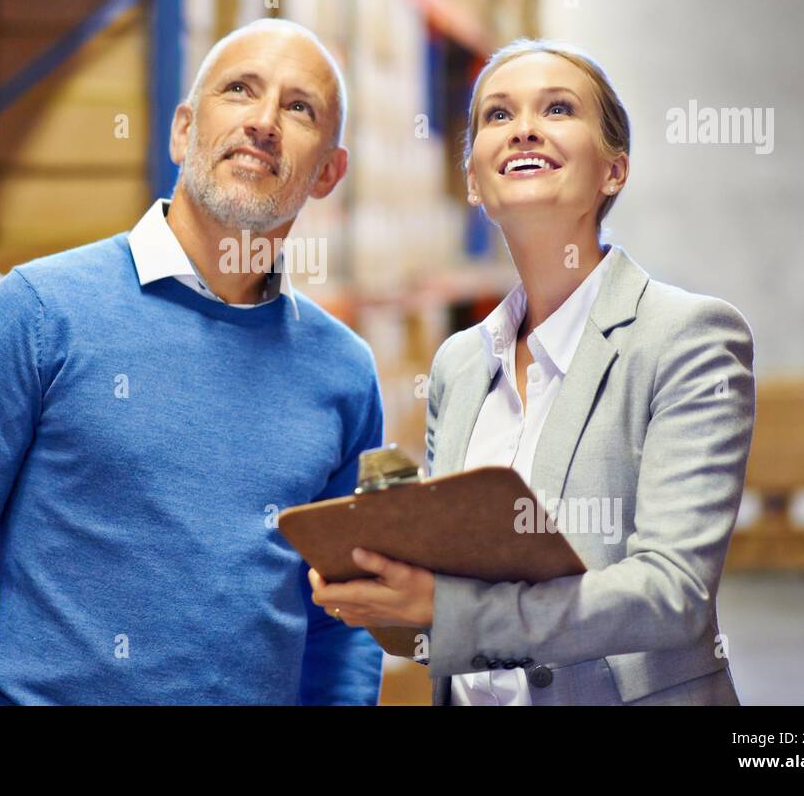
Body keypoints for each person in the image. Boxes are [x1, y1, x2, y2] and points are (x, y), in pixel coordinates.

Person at [0, 18, 385, 704]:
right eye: (239, 90)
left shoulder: (344, 373)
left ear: (329, 171)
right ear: (183, 131)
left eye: (300, 108)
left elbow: (345, 615)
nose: (264, 121)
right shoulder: (36, 313)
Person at [309, 38, 756, 706]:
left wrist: (448, 610)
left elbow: (672, 592)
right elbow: (441, 617)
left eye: (557, 108)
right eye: (496, 115)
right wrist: (376, 589)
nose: (523, 127)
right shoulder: (460, 365)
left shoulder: (685, 338)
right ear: (473, 181)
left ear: (615, 170)